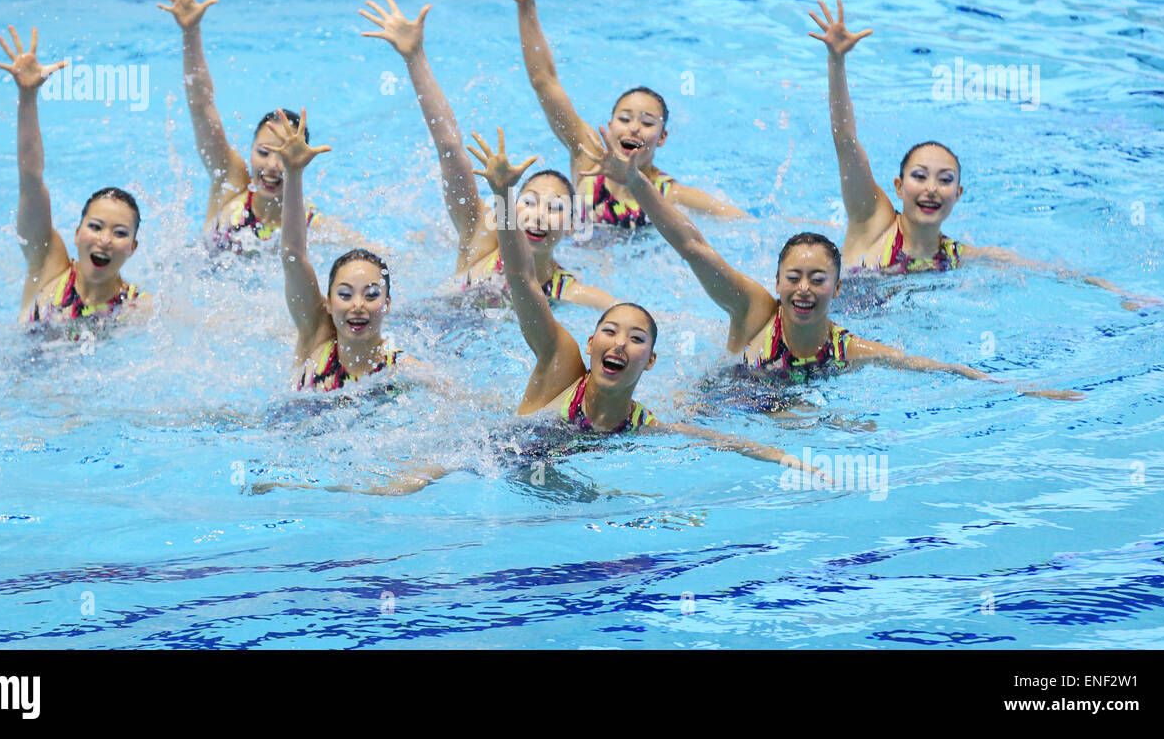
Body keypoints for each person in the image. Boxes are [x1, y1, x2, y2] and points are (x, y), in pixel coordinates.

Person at [320, 131, 824, 496]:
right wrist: (502, 196)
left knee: (606, 501)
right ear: (589, 344)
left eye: (634, 339)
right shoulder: (562, 362)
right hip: (474, 460)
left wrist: (786, 458)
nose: (619, 343)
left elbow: (714, 440)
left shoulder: (640, 422)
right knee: (390, 492)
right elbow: (520, 282)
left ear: (650, 360)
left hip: (540, 483)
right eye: (608, 331)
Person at [580, 127, 1084, 399]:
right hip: (720, 402)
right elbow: (693, 247)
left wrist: (1021, 388)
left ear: (838, 288)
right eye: (794, 278)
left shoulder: (848, 349)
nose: (804, 289)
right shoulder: (754, 312)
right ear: (775, 283)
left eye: (817, 280)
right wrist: (639, 184)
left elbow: (928, 366)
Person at [809, 0, 1156, 309]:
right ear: (899, 187)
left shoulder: (958, 258)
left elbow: (1050, 272)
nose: (931, 188)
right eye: (919, 176)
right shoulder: (871, 219)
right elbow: (845, 140)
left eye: (945, 181)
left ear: (958, 194)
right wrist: (836, 62)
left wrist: (1119, 293)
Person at [359, 0, 615, 309]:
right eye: (531, 202)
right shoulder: (480, 234)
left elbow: (640, 322)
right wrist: (415, 58)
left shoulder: (571, 294)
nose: (540, 216)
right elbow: (450, 148)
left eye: (555, 208)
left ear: (574, 224)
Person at [486, 0, 745, 231]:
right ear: (609, 128)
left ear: (662, 137)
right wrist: (526, 5)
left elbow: (745, 223)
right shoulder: (587, 155)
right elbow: (544, 82)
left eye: (647, 123)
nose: (634, 128)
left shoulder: (670, 195)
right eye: (624, 119)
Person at [157, 0, 370, 253]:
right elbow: (201, 107)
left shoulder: (311, 223)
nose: (271, 165)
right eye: (264, 151)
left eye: (283, 154)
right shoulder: (230, 181)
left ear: (303, 159)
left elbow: (369, 251)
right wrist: (190, 33)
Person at [0, 26, 151, 329]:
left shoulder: (139, 310)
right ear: (77, 233)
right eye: (95, 227)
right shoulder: (47, 266)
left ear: (133, 247)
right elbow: (30, 179)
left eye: (119, 233)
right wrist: (28, 97)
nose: (104, 240)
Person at [268, 109, 407, 393]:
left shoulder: (402, 370)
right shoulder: (316, 336)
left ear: (388, 303)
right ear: (328, 303)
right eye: (345, 294)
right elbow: (293, 255)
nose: (358, 305)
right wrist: (293, 174)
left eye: (371, 295)